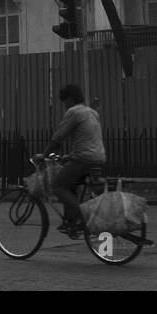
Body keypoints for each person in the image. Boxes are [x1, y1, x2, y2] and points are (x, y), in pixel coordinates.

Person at [44, 84, 107, 238]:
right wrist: (69, 156)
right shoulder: (92, 112)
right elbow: (87, 139)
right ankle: (71, 222)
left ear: (70, 99)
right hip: (99, 157)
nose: (64, 105)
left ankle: (82, 216)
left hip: (84, 158)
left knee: (57, 186)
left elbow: (58, 137)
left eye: (64, 101)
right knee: (69, 182)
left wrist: (44, 155)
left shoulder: (74, 112)